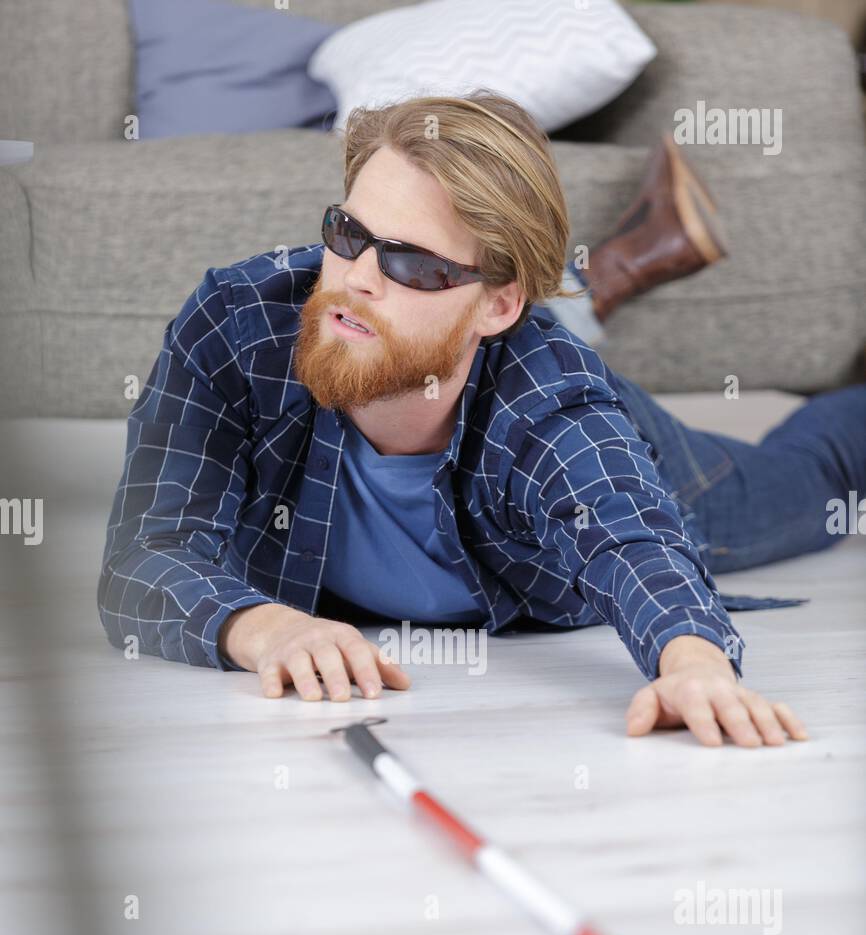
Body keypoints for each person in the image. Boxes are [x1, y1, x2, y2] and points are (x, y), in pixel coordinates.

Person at [98, 91, 865, 749]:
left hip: (630, 452)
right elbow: (148, 549)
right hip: (496, 347)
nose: (357, 279)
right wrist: (268, 629)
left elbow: (634, 537)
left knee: (818, 476)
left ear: (498, 302)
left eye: (414, 264)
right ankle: (613, 268)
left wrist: (694, 668)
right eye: (347, 234)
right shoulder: (237, 324)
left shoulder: (552, 403)